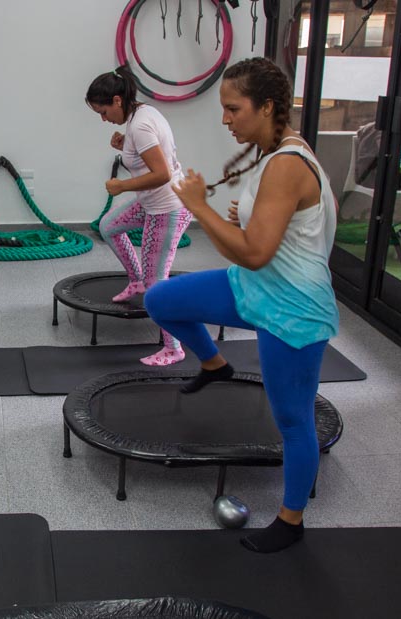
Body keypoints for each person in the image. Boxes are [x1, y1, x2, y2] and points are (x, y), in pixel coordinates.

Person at [145, 57, 338, 553]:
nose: (225, 119)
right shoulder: (277, 151)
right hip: (254, 286)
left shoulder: (288, 163)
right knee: (161, 299)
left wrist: (198, 206)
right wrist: (246, 216)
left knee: (292, 419)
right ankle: (216, 364)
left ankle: (291, 521)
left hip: (292, 306)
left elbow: (252, 252)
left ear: (267, 107)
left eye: (233, 109)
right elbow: (274, 234)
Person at [86, 65, 192, 366]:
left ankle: (174, 348)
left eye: (104, 112)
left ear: (117, 100)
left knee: (157, 281)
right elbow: (150, 156)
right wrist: (126, 146)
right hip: (151, 203)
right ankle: (137, 280)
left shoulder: (140, 126)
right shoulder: (141, 115)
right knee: (109, 225)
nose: (104, 119)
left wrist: (121, 186)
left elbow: (162, 173)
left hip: (168, 207)